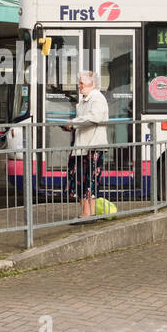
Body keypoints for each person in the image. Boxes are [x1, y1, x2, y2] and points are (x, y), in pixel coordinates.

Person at [67, 70, 109, 221]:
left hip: (92, 146)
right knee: (80, 179)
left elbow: (94, 118)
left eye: (81, 83)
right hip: (82, 147)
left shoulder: (97, 98)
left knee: (89, 180)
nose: (79, 86)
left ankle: (87, 214)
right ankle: (86, 213)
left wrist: (73, 123)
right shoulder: (85, 100)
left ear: (91, 84)